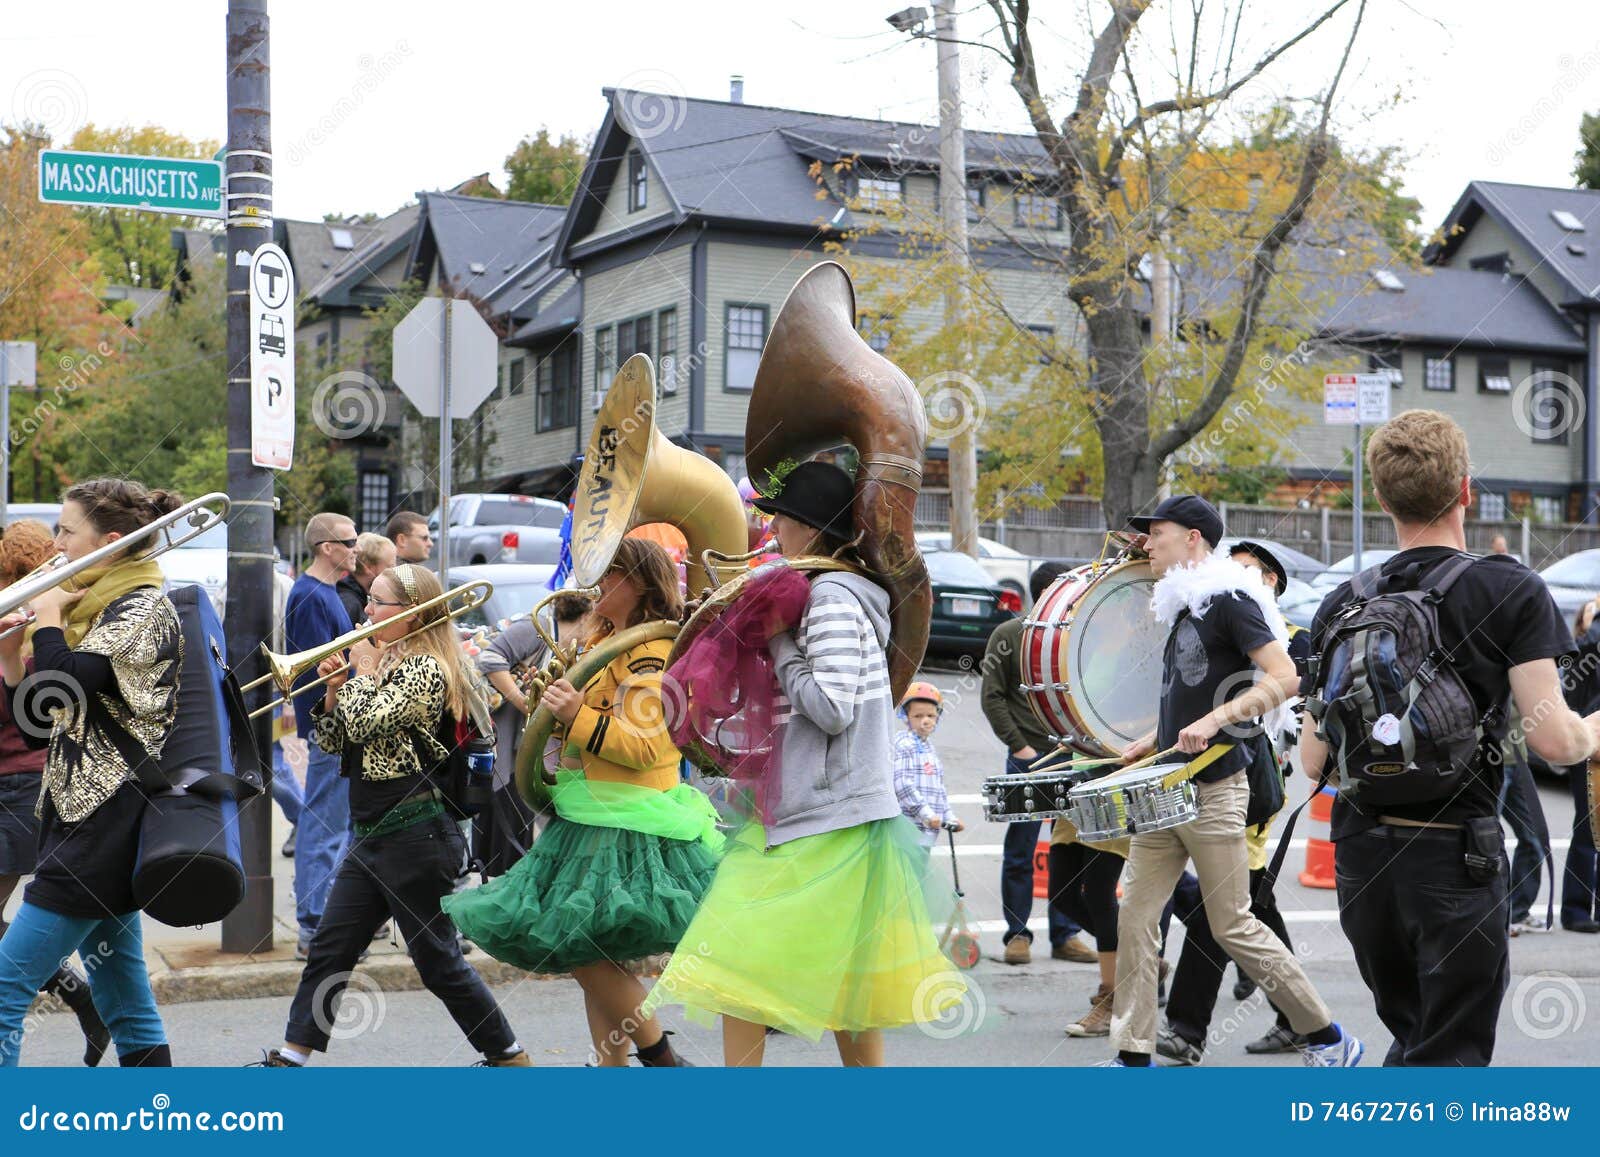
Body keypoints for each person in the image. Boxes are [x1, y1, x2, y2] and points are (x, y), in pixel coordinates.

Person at [1299, 409, 1600, 1066]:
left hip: (1360, 858)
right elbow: (1554, 740)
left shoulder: (1342, 602)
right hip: (1455, 856)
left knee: (1414, 1038)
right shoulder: (1508, 588)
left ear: (1380, 498)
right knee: (1450, 1056)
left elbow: (1312, 759)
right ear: (1466, 489)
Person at [642, 460, 963, 1067]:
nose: (772, 533)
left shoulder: (834, 600)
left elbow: (833, 708)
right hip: (817, 812)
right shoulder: (825, 594)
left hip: (828, 817)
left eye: (780, 520)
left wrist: (778, 640)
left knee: (740, 962)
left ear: (807, 527)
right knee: (845, 985)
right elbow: (793, 713)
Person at [1107, 494, 1360, 1068]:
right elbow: (1190, 696)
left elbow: (1285, 677)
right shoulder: (1182, 608)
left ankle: (1327, 1036)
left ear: (1193, 538)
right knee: (1137, 916)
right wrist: (1155, 738)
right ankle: (1131, 1056)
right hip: (1166, 788)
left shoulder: (1229, 599)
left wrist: (1219, 718)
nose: (1147, 543)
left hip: (1216, 788)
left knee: (1231, 924)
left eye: (1157, 532)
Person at [444, 539, 716, 1068]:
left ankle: (662, 1058)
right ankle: (611, 1071)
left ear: (638, 584)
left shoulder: (650, 652)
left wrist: (574, 715)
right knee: (593, 952)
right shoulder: (607, 638)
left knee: (580, 948)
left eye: (609, 574)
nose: (595, 586)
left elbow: (645, 748)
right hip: (592, 810)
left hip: (626, 820)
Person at [252, 564, 527, 1068]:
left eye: (377, 604)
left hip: (415, 836)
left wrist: (360, 673)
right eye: (369, 601)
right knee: (331, 950)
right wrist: (333, 690)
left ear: (410, 615)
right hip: (372, 835)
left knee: (438, 963)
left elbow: (368, 718)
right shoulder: (387, 662)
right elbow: (340, 742)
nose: (366, 613)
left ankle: (508, 1055)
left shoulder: (426, 670)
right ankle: (289, 1059)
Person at [0, 479, 185, 1067]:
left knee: (4, 988)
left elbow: (66, 684)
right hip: (82, 816)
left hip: (102, 824)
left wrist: (47, 618)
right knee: (124, 998)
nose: (55, 546)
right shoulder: (97, 607)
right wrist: (10, 656)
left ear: (109, 542)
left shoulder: (141, 607)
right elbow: (41, 723)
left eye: (65, 531)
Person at [1156, 539, 1313, 1063]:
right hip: (1208, 777)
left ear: (1269, 580)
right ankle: (1296, 1017)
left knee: (1217, 911)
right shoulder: (1215, 621)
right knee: (1251, 907)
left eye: (1243, 570)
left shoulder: (1291, 641)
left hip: (1250, 786)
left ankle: (1186, 1030)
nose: (1229, 577)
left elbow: (1298, 703)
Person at [0, 519, 111, 1066]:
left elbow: (27, 713)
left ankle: (78, 994)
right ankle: (81, 995)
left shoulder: (35, 624)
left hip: (21, 787)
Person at [980, 560, 1096, 965]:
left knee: (1067, 850)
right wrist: (1019, 748)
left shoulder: (1075, 638)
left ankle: (1065, 934)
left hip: (1073, 757)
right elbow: (991, 696)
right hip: (1028, 758)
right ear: (1050, 592)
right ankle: (1017, 935)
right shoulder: (1009, 635)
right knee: (1021, 849)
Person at [472, 590, 593, 876]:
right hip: (505, 737)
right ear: (586, 616)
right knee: (508, 819)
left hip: (528, 745)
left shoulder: (572, 646)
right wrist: (525, 703)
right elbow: (491, 659)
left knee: (523, 820)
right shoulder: (536, 629)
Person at [285, 511, 359, 959]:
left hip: (339, 722)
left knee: (338, 823)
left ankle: (327, 919)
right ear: (327, 547)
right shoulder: (312, 594)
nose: (357, 548)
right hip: (329, 723)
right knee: (324, 824)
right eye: (350, 541)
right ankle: (313, 926)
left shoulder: (324, 591)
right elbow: (321, 671)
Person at [1561, 597, 1600, 933]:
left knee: (1586, 829)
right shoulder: (1591, 642)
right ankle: (1576, 911)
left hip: (1586, 740)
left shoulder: (1586, 641)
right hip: (1592, 744)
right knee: (1587, 830)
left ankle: (1577, 910)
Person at [892, 682, 962, 848]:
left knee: (919, 872)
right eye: (918, 716)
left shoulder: (928, 747)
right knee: (906, 872)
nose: (925, 720)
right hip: (907, 830)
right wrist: (927, 814)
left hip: (927, 833)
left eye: (930, 716)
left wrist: (949, 816)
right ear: (905, 717)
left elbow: (939, 789)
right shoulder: (904, 744)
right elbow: (902, 785)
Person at [336, 532, 396, 630]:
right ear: (368, 567)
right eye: (390, 566)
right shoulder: (349, 604)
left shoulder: (357, 597)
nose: (394, 571)